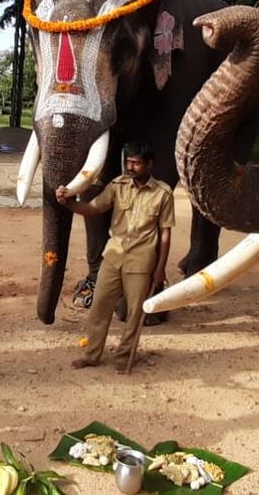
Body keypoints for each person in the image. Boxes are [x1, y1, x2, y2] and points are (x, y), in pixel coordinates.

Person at [55, 141, 173, 372]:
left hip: (141, 261)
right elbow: (93, 209)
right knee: (99, 306)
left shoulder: (163, 193)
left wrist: (160, 268)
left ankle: (124, 356)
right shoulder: (117, 186)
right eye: (128, 162)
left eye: (136, 163)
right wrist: (69, 203)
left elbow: (165, 234)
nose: (131, 167)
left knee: (135, 312)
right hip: (113, 256)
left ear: (149, 164)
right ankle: (92, 354)